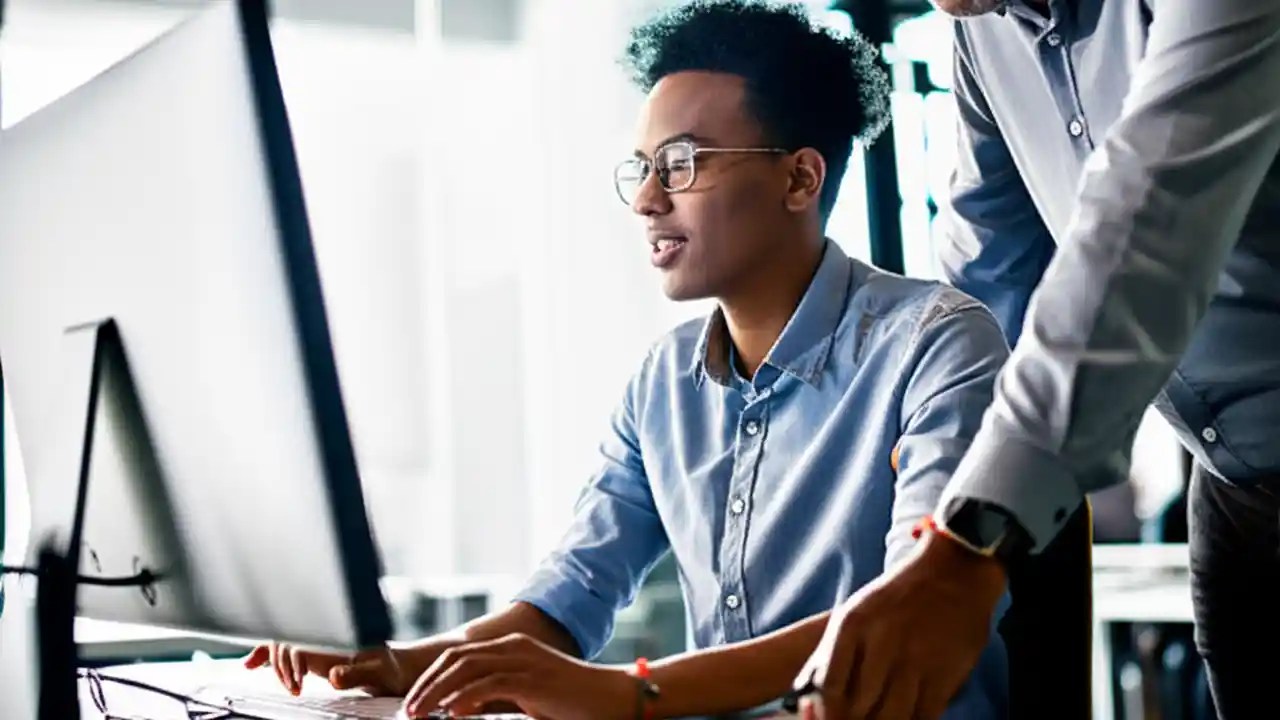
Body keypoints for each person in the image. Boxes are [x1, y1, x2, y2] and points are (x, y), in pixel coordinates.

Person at [246, 2, 1012, 718]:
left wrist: (626, 695)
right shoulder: (664, 383)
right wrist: (398, 665)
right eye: (642, 168)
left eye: (680, 164)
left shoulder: (937, 343)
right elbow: (569, 598)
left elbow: (909, 606)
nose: (647, 199)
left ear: (800, 178)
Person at [795, 0, 1280, 719]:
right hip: (1235, 493)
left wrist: (972, 540)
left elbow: (1152, 217)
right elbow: (989, 277)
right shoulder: (979, 30)